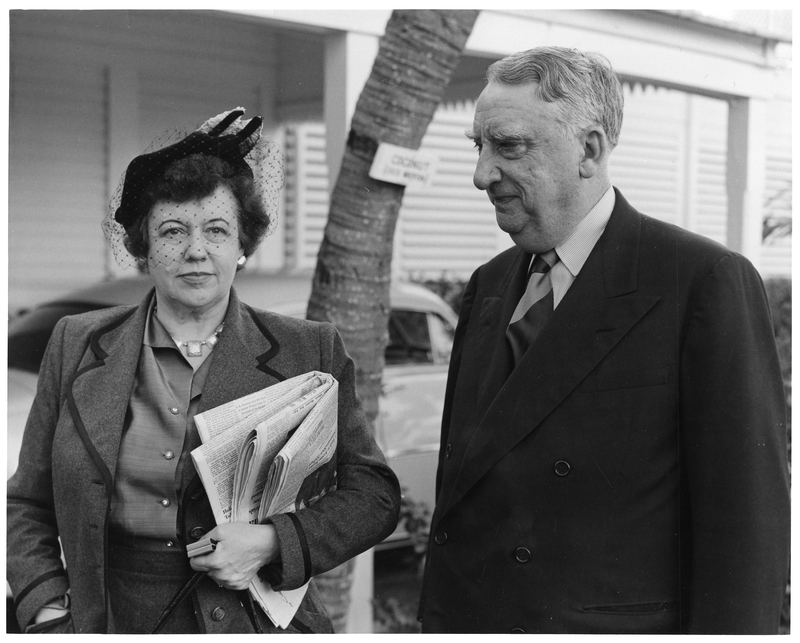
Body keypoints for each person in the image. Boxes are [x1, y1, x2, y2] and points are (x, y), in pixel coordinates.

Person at [418, 47, 789, 634]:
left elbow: (746, 533)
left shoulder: (701, 282)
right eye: (479, 146)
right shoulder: (488, 286)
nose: (481, 173)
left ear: (589, 150)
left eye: (508, 146)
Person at [7, 108, 401, 634]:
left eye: (217, 229)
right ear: (142, 247)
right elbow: (26, 501)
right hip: (107, 618)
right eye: (172, 231)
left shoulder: (307, 350)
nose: (196, 250)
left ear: (243, 244)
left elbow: (373, 495)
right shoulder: (76, 343)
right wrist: (48, 606)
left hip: (252, 620)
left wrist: (272, 542)